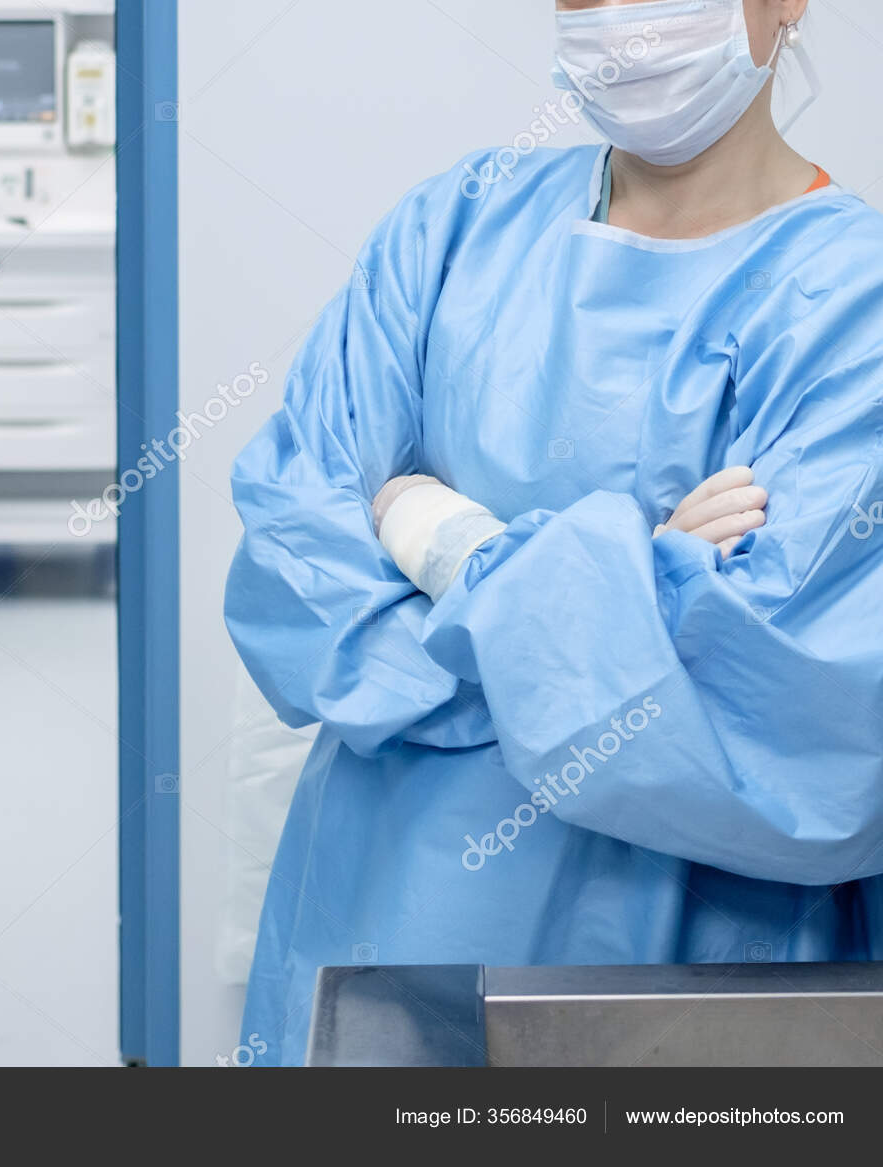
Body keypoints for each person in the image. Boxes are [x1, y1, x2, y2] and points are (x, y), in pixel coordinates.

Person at [226, 0, 883, 1066]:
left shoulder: (853, 303)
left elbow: (799, 722)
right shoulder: (453, 229)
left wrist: (444, 542)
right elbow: (294, 564)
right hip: (393, 927)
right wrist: (636, 593)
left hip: (700, 972)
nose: (618, 15)